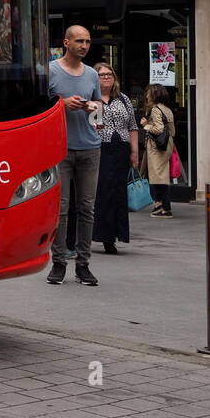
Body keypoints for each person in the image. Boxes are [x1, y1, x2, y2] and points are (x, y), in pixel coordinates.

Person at [46, 26, 101, 286]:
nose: (84, 45)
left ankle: (83, 264)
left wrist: (93, 108)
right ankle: (58, 263)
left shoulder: (91, 74)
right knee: (62, 208)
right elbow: (40, 106)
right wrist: (62, 103)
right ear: (66, 42)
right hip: (59, 148)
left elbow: (98, 114)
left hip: (90, 147)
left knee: (87, 208)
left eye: (88, 41)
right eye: (79, 41)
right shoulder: (50, 70)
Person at [91, 64, 139, 254]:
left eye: (109, 74)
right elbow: (93, 127)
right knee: (103, 191)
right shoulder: (93, 100)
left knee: (119, 192)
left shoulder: (124, 99)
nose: (106, 78)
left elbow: (133, 126)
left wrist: (134, 152)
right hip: (101, 149)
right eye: (102, 75)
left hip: (121, 149)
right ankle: (105, 237)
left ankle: (118, 235)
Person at [139, 85, 176, 217]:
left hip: (157, 146)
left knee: (157, 177)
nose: (146, 96)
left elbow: (159, 129)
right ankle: (162, 205)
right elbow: (172, 131)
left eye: (148, 93)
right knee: (161, 175)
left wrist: (145, 125)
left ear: (154, 95)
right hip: (167, 144)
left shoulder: (155, 109)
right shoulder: (167, 109)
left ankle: (162, 206)